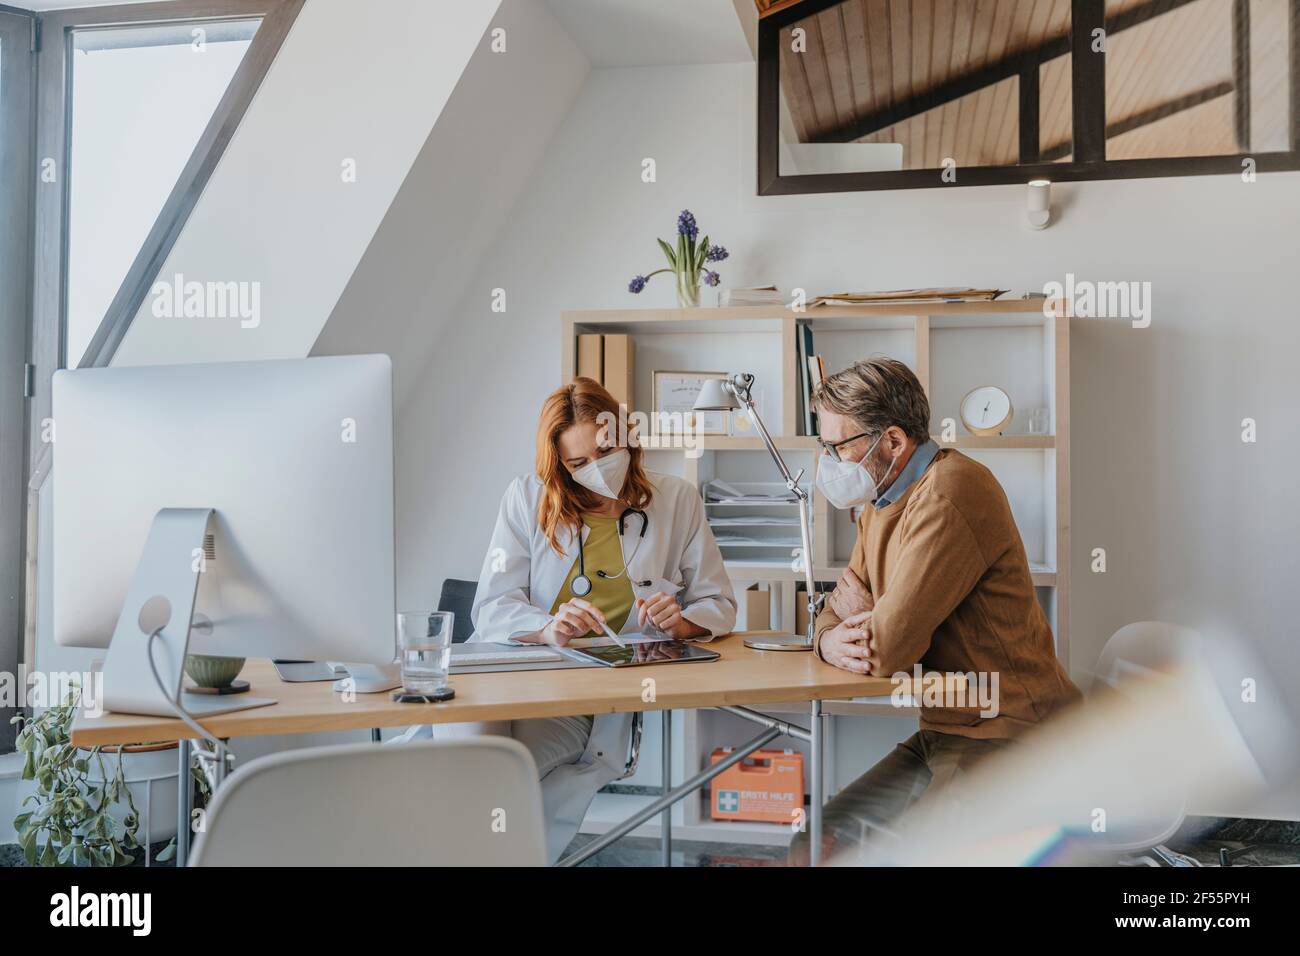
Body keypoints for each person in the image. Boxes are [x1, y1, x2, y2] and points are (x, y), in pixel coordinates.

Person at [791, 358, 1081, 864]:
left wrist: (855, 630)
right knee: (815, 846)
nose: (830, 461)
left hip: (1009, 730)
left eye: (838, 446)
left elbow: (886, 650)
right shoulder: (878, 503)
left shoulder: (949, 492)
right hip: (945, 728)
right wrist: (826, 638)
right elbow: (832, 614)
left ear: (894, 442)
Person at [459, 377, 736, 862]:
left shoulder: (677, 499)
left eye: (605, 451)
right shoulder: (527, 499)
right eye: (578, 463)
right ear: (560, 466)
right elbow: (492, 607)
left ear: (627, 434)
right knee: (456, 768)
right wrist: (548, 627)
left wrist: (684, 622)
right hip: (506, 682)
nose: (597, 469)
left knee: (499, 777)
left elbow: (719, 602)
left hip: (581, 701)